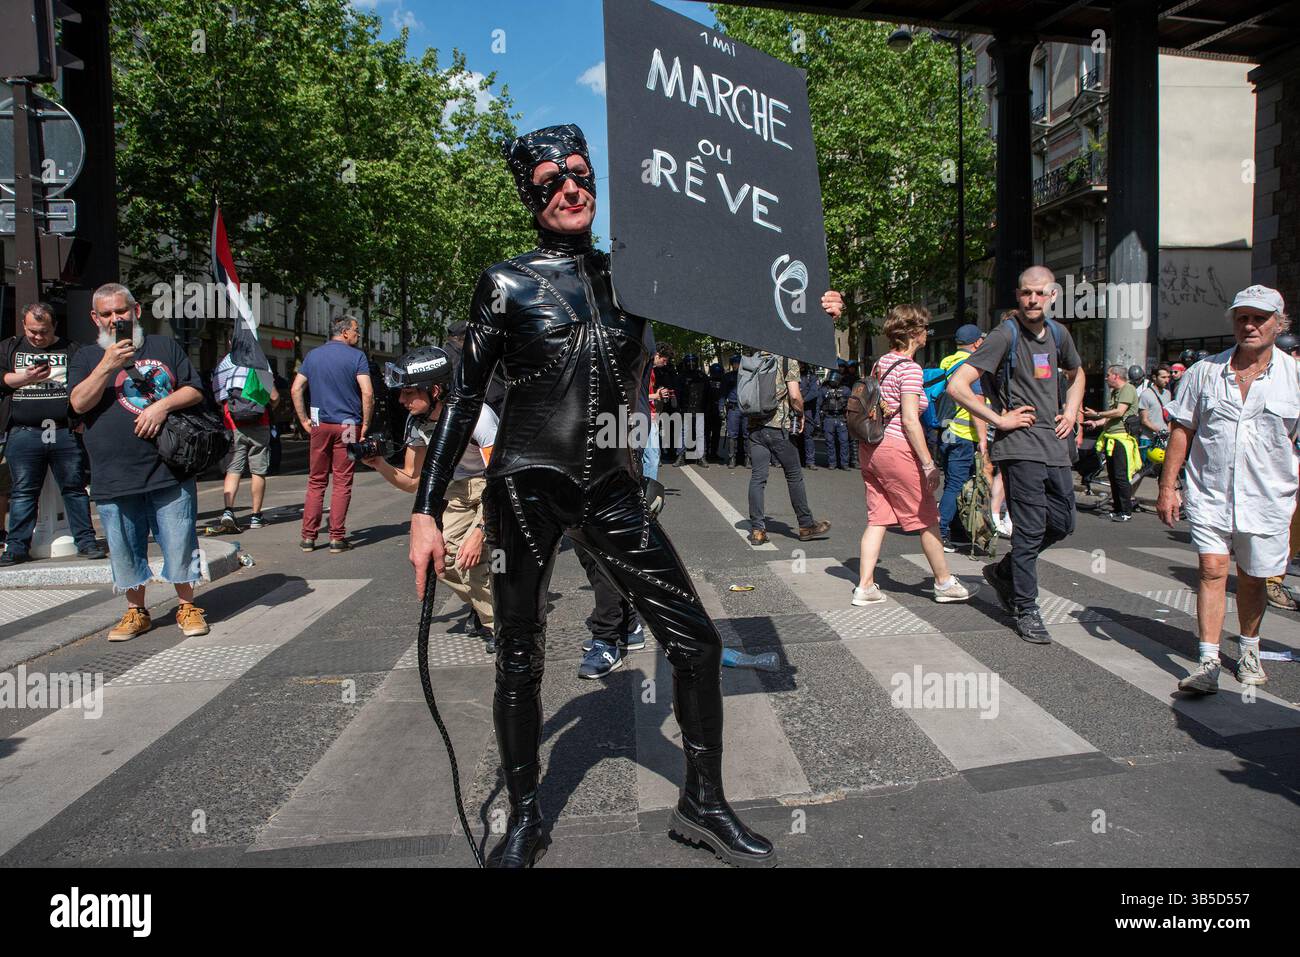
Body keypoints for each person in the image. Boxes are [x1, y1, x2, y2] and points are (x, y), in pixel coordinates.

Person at [407, 124, 843, 867]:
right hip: (525, 488)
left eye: (579, 174)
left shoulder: (634, 275)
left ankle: (702, 803)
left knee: (697, 640)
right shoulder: (504, 282)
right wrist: (424, 509)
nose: (571, 187)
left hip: (611, 488)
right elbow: (459, 397)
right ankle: (523, 816)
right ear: (530, 197)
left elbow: (737, 295)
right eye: (551, 181)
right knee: (519, 656)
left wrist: (808, 313)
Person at [1159, 286, 1297, 693]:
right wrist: (1168, 485)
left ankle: (1249, 648)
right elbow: (1182, 429)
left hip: (1268, 497)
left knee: (1254, 577)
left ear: (1279, 322)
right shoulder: (1205, 372)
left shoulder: (1295, 376)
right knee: (1211, 569)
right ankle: (1208, 659)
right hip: (1211, 492)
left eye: (1259, 318)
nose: (1250, 325)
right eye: (1242, 317)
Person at [947, 265, 1085, 644]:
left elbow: (1078, 373)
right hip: (1020, 446)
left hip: (1055, 445)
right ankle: (1026, 607)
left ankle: (1005, 572)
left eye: (1040, 293)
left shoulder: (1059, 334)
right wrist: (998, 420)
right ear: (1018, 294)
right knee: (1029, 530)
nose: (1033, 299)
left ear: (1053, 295)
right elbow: (957, 385)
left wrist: (1072, 411)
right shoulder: (1004, 335)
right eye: (1026, 293)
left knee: (1064, 522)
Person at [67, 283, 209, 641]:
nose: (116, 319)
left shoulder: (163, 346)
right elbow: (79, 404)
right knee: (124, 546)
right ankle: (136, 611)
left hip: (169, 466)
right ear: (95, 319)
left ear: (136, 311)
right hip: (114, 472)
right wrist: (107, 365)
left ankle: (187, 605)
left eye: (121, 311)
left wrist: (161, 406)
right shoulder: (86, 358)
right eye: (107, 314)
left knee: (180, 539)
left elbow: (194, 389)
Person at [364, 346, 497, 652]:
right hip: (458, 492)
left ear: (435, 390)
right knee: (443, 563)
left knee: (474, 564)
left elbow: (500, 480)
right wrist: (380, 465)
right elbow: (413, 482)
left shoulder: (478, 417)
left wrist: (480, 533)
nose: (402, 400)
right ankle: (488, 608)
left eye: (409, 393)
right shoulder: (418, 424)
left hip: (491, 490)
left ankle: (501, 630)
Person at [854, 305, 975, 605]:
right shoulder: (910, 369)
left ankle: (865, 586)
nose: (926, 333)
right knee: (927, 516)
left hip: (871, 449)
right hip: (896, 449)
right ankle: (944, 582)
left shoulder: (880, 364)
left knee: (878, 518)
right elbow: (910, 419)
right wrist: (928, 463)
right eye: (924, 329)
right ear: (915, 333)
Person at [0, 302, 105, 565]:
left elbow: (87, 385)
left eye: (43, 331)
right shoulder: (10, 347)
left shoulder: (72, 349)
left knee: (74, 488)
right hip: (24, 431)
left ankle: (86, 541)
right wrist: (26, 378)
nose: (37, 337)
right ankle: (16, 547)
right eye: (32, 331)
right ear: (24, 325)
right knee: (23, 491)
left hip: (64, 431)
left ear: (54, 326)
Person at [292, 314, 373, 553]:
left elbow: (296, 388)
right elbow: (367, 393)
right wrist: (366, 424)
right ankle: (337, 537)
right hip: (348, 425)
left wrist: (304, 419)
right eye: (356, 330)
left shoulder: (313, 355)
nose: (358, 335)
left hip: (320, 425)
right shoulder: (357, 357)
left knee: (316, 480)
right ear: (345, 332)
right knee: (342, 481)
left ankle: (308, 537)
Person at [745, 352, 834, 547]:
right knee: (794, 475)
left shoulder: (754, 357)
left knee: (758, 477)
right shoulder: (786, 359)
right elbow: (794, 396)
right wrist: (800, 414)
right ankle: (805, 524)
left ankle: (758, 530)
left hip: (755, 428)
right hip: (778, 428)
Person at [211, 354, 280, 531]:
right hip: (259, 422)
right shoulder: (258, 362)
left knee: (233, 468)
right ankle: (256, 516)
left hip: (233, 422)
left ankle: (228, 510)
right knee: (258, 470)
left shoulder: (224, 364)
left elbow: (218, 397)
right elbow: (274, 396)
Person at [935, 324, 989, 551]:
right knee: (957, 483)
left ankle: (957, 528)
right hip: (963, 434)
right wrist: (984, 439)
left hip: (945, 431)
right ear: (976, 343)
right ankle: (941, 531)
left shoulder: (946, 362)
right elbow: (976, 405)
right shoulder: (972, 367)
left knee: (953, 481)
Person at [1084, 365, 1140, 522]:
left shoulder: (1127, 389)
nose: (1106, 378)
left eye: (1108, 375)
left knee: (1121, 476)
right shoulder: (1116, 392)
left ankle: (1126, 511)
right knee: (1113, 476)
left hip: (1121, 439)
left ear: (1116, 376)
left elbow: (1119, 412)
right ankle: (1117, 509)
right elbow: (1111, 418)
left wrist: (1096, 414)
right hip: (1111, 438)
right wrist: (1096, 423)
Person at [674, 353, 709, 467]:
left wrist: (707, 408)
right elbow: (677, 394)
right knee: (683, 433)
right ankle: (681, 456)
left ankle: (701, 457)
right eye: (689, 362)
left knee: (700, 433)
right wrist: (678, 408)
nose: (691, 364)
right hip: (686, 409)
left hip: (699, 409)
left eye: (693, 361)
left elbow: (708, 393)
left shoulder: (702, 376)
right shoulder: (681, 377)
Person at [820, 368, 852, 469]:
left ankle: (844, 464)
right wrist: (817, 420)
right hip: (828, 418)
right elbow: (818, 405)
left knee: (844, 442)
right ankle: (832, 463)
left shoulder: (846, 390)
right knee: (829, 442)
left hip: (841, 418)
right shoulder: (824, 389)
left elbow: (851, 405)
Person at [721, 353, 748, 468]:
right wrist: (721, 409)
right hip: (733, 408)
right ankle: (732, 458)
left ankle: (748, 459)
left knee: (747, 435)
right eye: (735, 363)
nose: (737, 365)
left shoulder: (748, 376)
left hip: (746, 409)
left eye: (738, 363)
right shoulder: (728, 377)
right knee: (732, 435)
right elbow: (722, 394)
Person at [796, 363, 821, 468]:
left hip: (808, 410)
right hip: (795, 408)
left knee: (808, 436)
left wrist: (801, 401)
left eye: (802, 363)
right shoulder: (793, 375)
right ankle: (798, 461)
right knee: (795, 436)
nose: (800, 365)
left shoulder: (812, 376)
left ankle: (810, 461)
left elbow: (814, 393)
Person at [704, 361, 725, 464]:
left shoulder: (723, 382)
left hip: (715, 411)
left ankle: (711, 453)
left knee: (714, 434)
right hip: (710, 410)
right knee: (708, 433)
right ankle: (708, 453)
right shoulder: (707, 382)